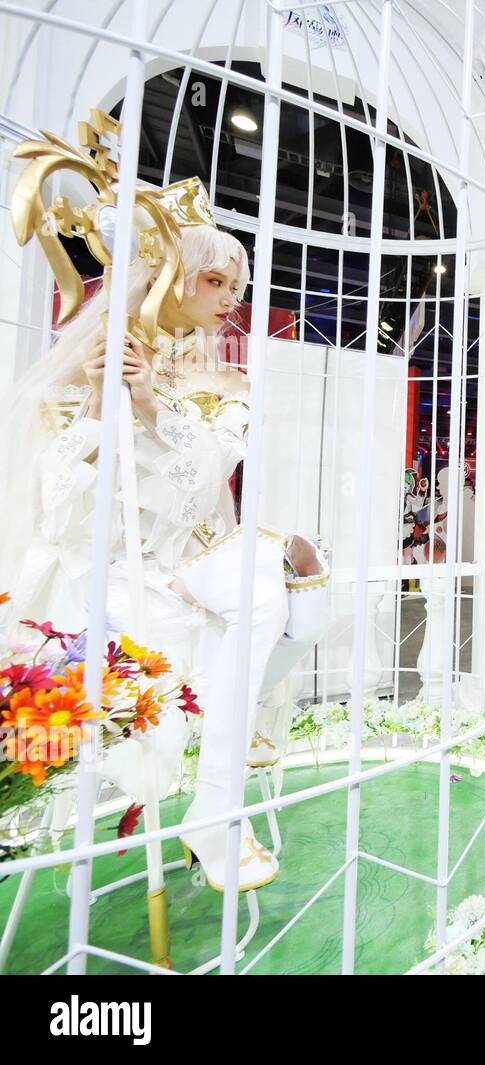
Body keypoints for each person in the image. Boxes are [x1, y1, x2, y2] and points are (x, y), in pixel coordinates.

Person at [0, 175, 329, 891]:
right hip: (118, 567)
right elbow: (62, 496)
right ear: (174, 276)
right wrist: (101, 401)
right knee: (262, 593)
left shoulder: (226, 381)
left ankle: (237, 751)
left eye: (235, 286)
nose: (230, 298)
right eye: (217, 279)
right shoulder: (106, 357)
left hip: (193, 549)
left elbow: (206, 480)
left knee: (305, 581)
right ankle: (216, 807)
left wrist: (152, 404)